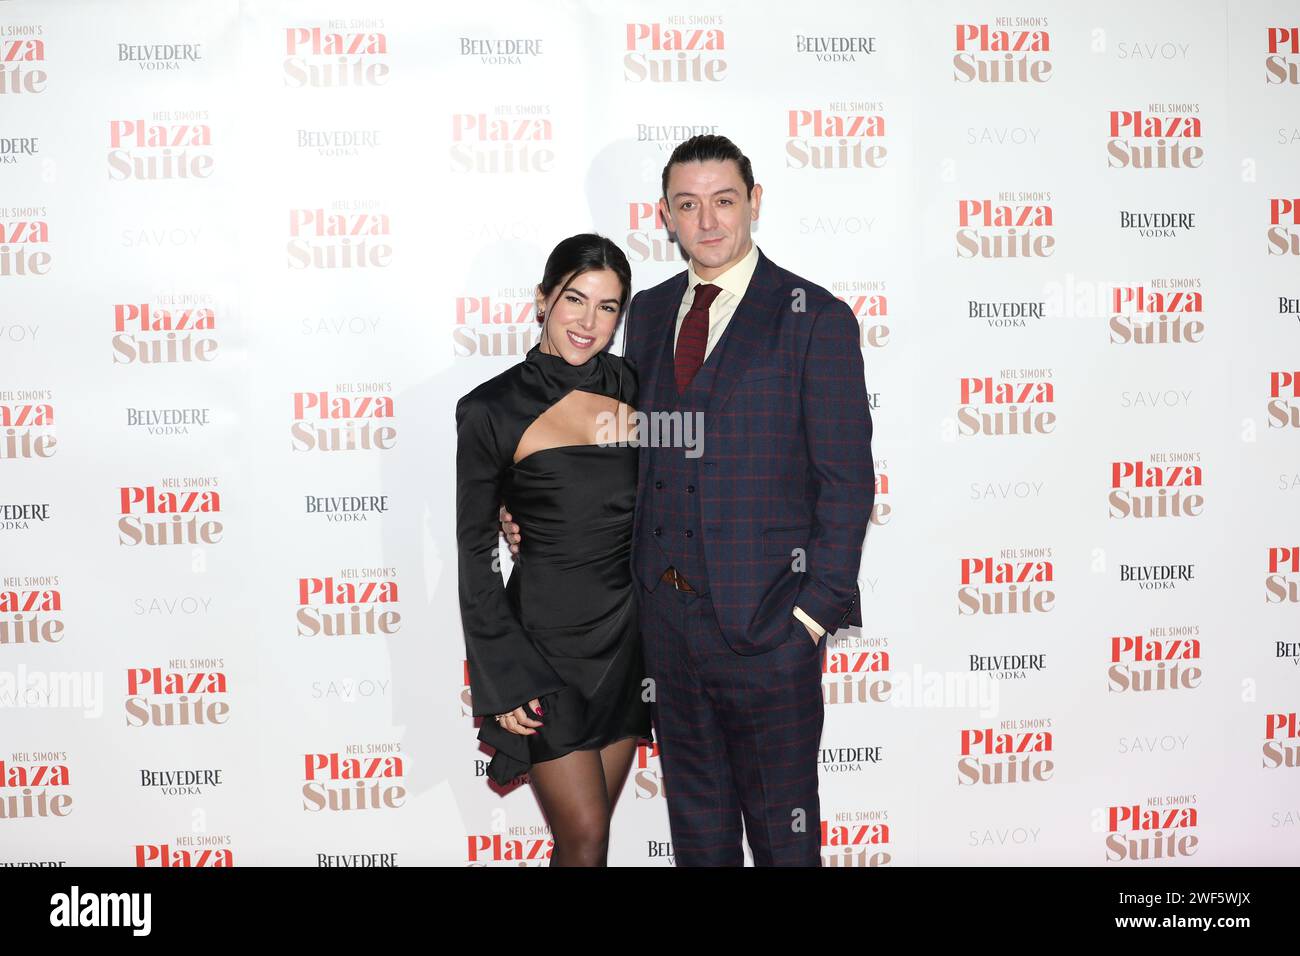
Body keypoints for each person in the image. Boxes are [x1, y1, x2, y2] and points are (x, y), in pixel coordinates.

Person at [502, 135, 874, 866]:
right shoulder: (647, 312)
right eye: (688, 204)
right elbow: (613, 444)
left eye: (724, 201)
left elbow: (847, 480)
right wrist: (530, 513)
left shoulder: (813, 317)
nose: (707, 221)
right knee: (699, 842)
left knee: (784, 842)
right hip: (665, 634)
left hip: (770, 630)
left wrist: (811, 615)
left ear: (754, 202)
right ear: (665, 215)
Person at [455, 234, 652, 866]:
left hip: (626, 643)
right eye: (575, 299)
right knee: (585, 838)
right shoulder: (490, 409)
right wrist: (502, 676)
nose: (589, 321)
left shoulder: (640, 389)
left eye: (608, 307)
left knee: (586, 844)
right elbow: (474, 554)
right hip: (544, 649)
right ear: (542, 299)